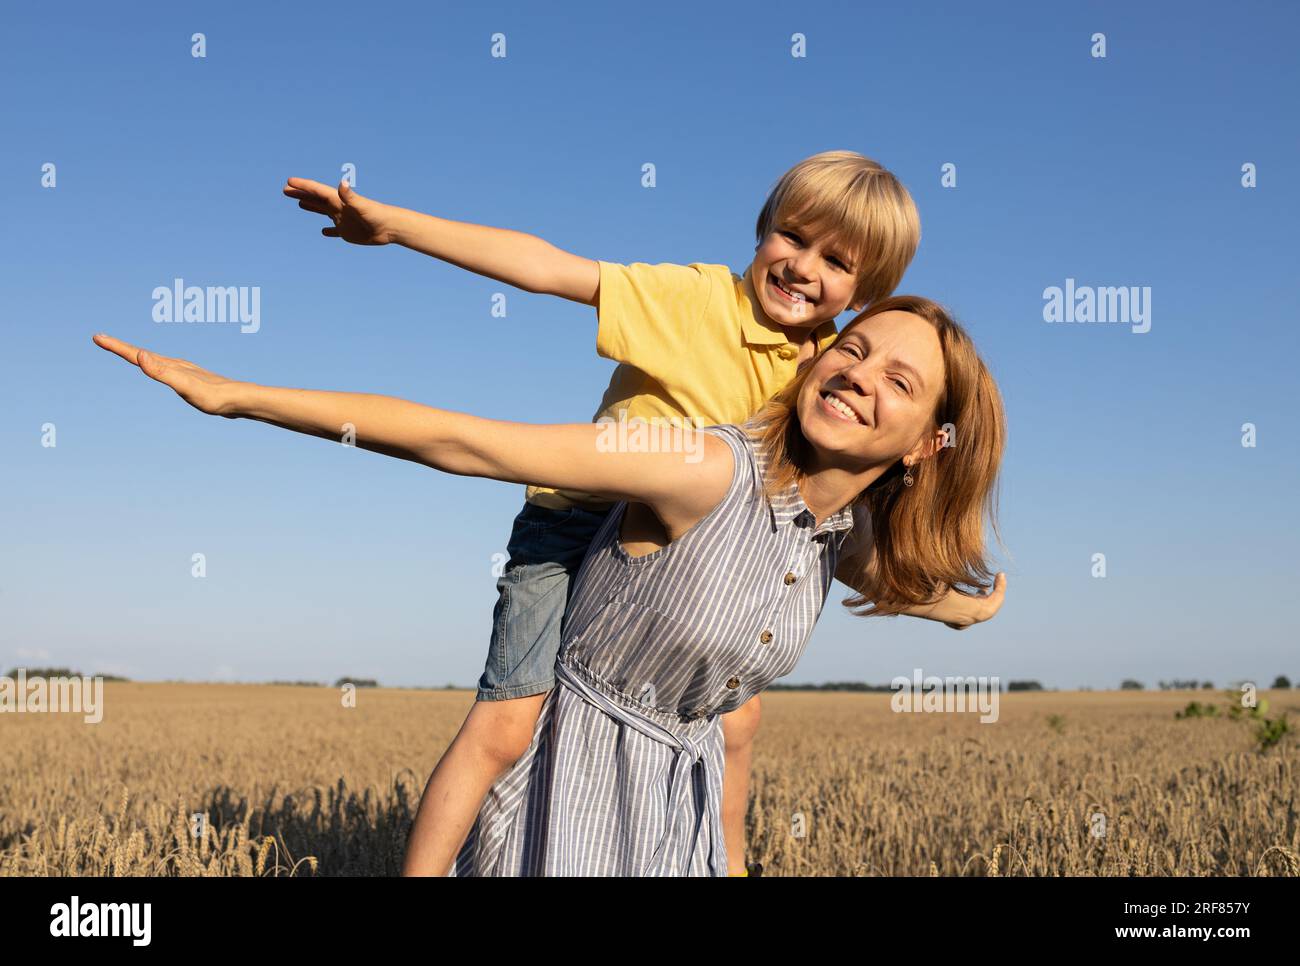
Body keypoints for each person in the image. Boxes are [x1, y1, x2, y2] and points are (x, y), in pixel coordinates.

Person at [91, 290, 1007, 875]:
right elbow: (469, 442)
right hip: (568, 796)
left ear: (928, 445)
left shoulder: (832, 535)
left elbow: (894, 580)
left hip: (677, 819)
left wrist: (962, 611)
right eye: (853, 348)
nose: (856, 375)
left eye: (899, 379)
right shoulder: (699, 467)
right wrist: (239, 397)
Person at [282, 150, 1005, 876]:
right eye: (792, 236)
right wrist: (397, 227)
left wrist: (952, 606)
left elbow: (833, 537)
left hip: (688, 553)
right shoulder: (696, 302)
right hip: (575, 520)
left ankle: (726, 862)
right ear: (762, 231)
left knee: (739, 718)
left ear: (863, 290)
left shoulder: (824, 362)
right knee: (505, 727)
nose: (802, 267)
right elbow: (549, 269)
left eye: (837, 261)